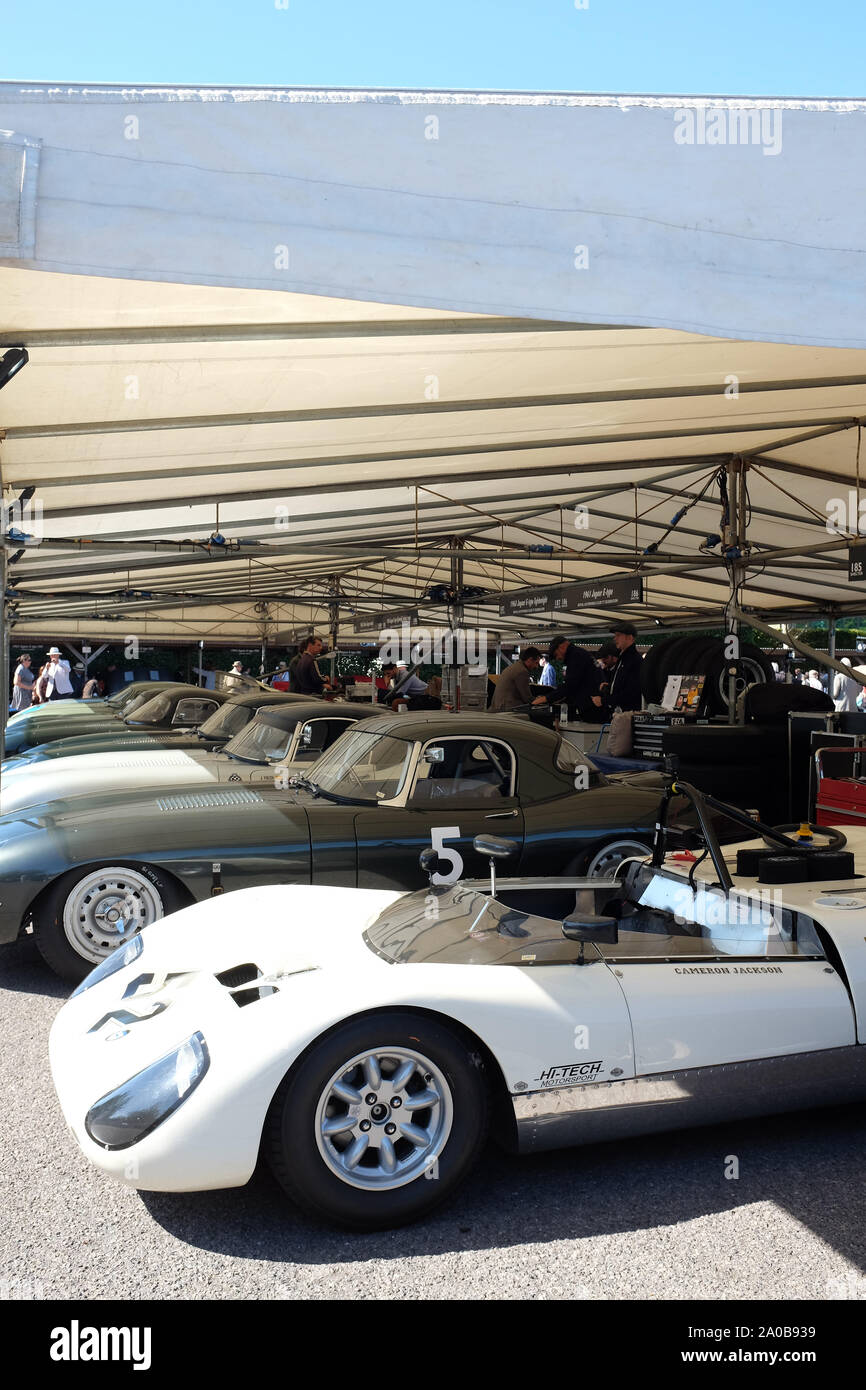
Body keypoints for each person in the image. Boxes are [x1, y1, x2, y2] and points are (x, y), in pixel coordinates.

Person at [533, 635, 600, 719]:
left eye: (556, 654)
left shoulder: (576, 656)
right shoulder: (579, 653)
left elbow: (569, 686)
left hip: (591, 705)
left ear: (562, 646)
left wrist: (545, 699)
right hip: (592, 701)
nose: (558, 658)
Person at [607, 622, 644, 712]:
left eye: (618, 635)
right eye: (615, 635)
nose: (615, 639)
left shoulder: (635, 660)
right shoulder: (622, 658)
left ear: (629, 637)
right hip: (618, 713)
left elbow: (632, 691)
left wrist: (605, 700)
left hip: (628, 715)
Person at [491, 647, 542, 711]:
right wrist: (541, 700)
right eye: (536, 663)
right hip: (506, 709)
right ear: (530, 660)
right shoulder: (522, 671)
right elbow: (527, 698)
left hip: (498, 706)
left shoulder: (515, 667)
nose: (537, 667)